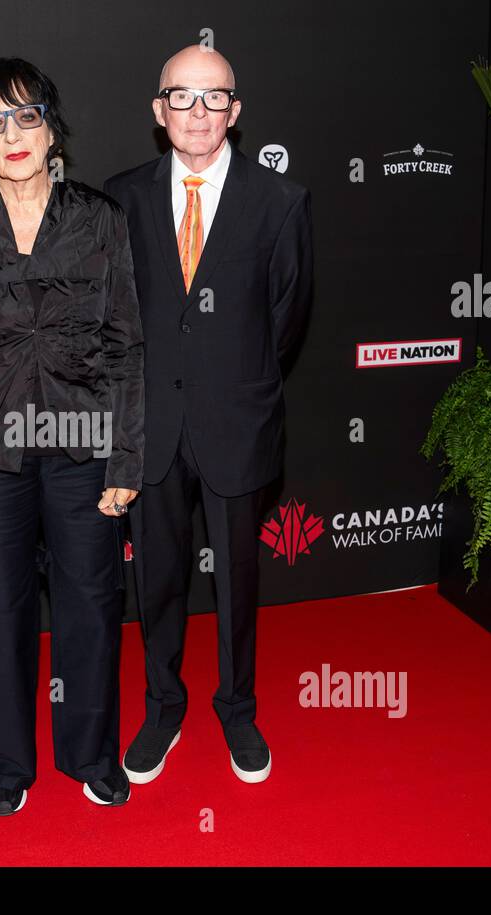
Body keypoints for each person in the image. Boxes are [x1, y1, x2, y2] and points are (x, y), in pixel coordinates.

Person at [0, 57, 145, 815]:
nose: (12, 133)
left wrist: (127, 456)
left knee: (91, 606)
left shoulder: (101, 218)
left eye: (26, 115)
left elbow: (126, 343)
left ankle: (91, 754)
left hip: (82, 441)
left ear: (51, 127)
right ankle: (6, 765)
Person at [103, 44, 313, 785]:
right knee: (157, 580)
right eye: (182, 97)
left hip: (237, 425)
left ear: (235, 110)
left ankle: (238, 709)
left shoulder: (280, 200)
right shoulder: (120, 198)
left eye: (214, 97)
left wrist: (233, 383)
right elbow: (114, 317)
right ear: (158, 111)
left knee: (236, 585)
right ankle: (163, 706)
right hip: (151, 428)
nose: (198, 112)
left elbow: (286, 320)